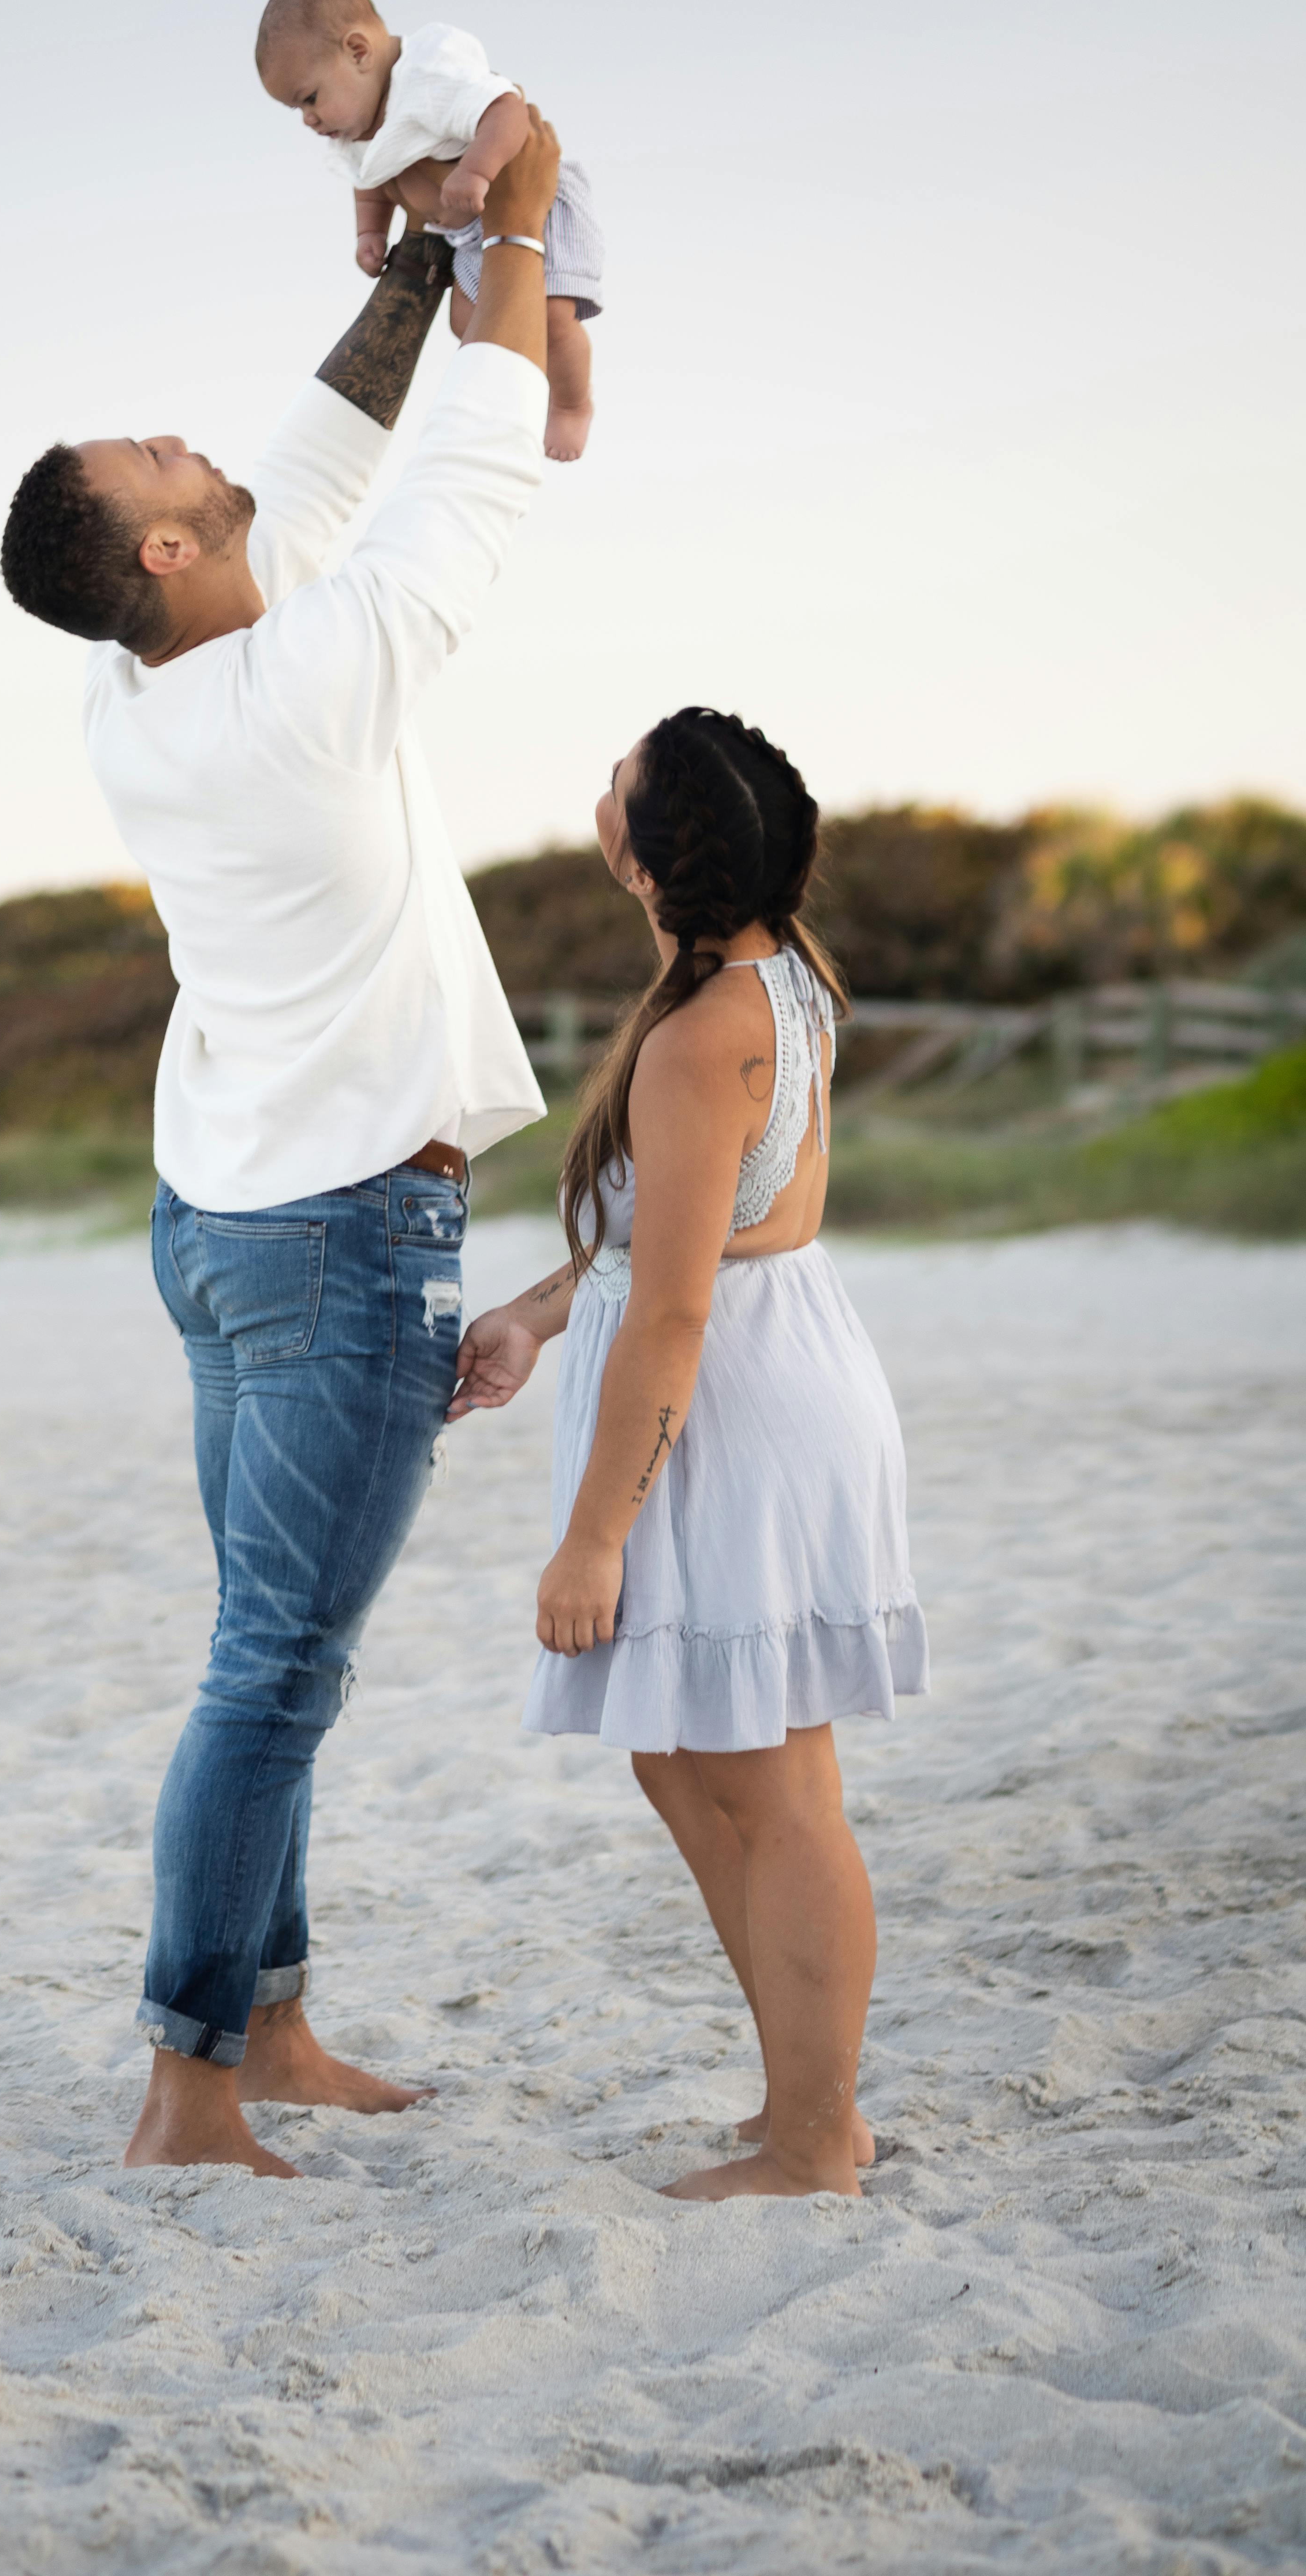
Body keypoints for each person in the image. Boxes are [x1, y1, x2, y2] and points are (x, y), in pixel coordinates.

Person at [0, 112, 565, 2178]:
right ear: (162, 554)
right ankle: (187, 2085)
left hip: (226, 1224)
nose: (189, 443)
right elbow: (469, 485)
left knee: (271, 1647)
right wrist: (509, 225)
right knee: (275, 1669)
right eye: (160, 463)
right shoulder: (302, 682)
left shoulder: (151, 697)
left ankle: (280, 2021)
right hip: (332, 1240)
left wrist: (411, 264)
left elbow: (316, 470)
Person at [448, 709, 928, 2200]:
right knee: (681, 1750)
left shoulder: (709, 1030)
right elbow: (669, 1247)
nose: (598, 796)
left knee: (775, 1784)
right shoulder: (765, 976)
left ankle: (813, 2137)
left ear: (656, 867)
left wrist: (593, 1534)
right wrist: (535, 1320)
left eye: (621, 791)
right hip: (765, 1373)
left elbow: (670, 1311)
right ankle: (806, 2088)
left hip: (734, 1408)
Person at [256, 0, 602, 462]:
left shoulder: (428, 71)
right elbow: (370, 176)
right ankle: (530, 385)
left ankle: (571, 404)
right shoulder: (354, 128)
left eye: (309, 98)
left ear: (358, 51)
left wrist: (477, 172)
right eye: (296, 109)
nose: (308, 119)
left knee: (551, 315)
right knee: (466, 323)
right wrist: (370, 231)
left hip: (534, 204)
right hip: (467, 235)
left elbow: (506, 109)